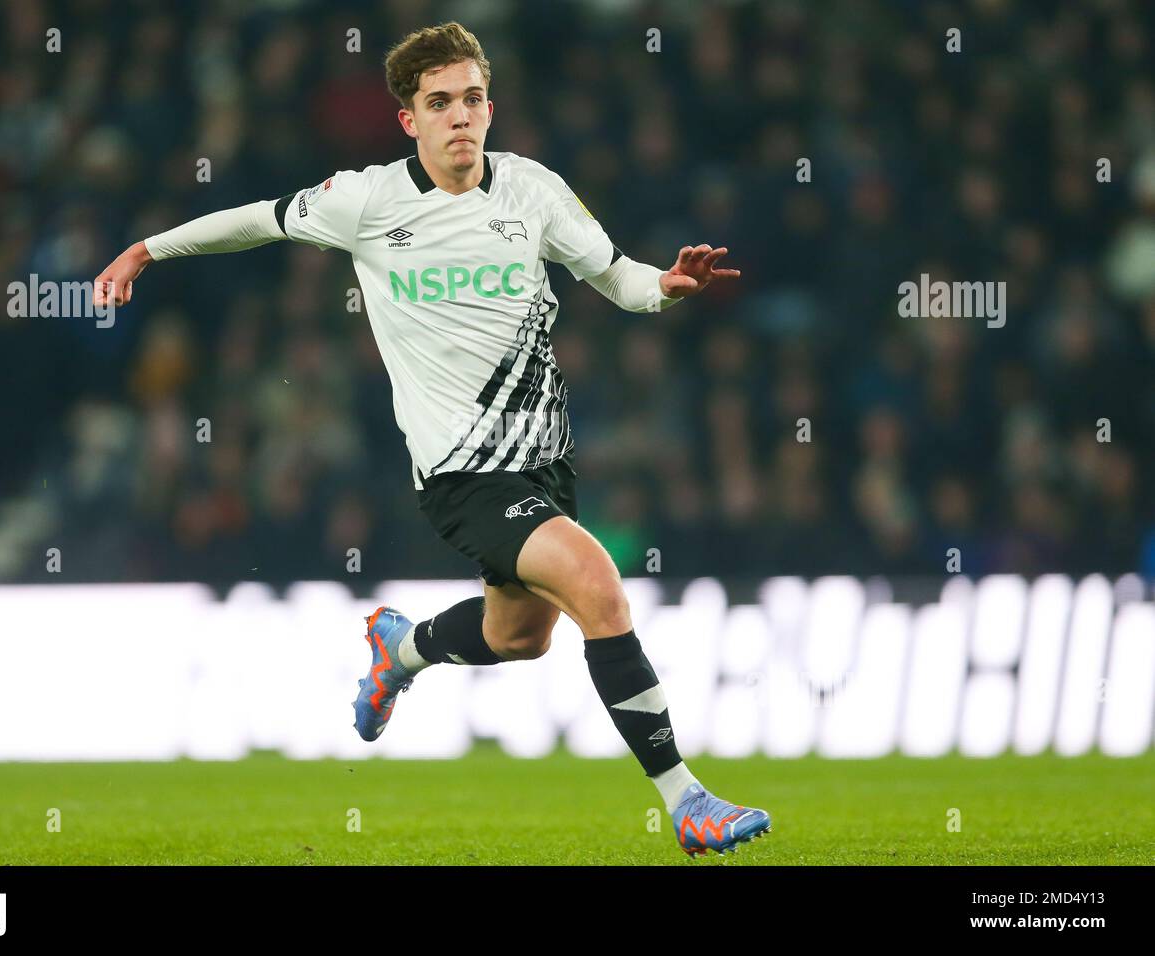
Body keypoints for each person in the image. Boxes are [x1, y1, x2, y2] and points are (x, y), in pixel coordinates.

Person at [93, 21, 770, 857]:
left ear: (492, 107)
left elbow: (617, 277)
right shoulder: (368, 201)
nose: (461, 117)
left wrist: (665, 286)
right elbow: (257, 220)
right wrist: (144, 251)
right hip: (461, 473)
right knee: (597, 582)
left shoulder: (532, 191)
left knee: (519, 638)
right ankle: (686, 800)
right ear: (408, 120)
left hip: (544, 462)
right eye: (439, 103)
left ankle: (401, 652)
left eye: (473, 100)